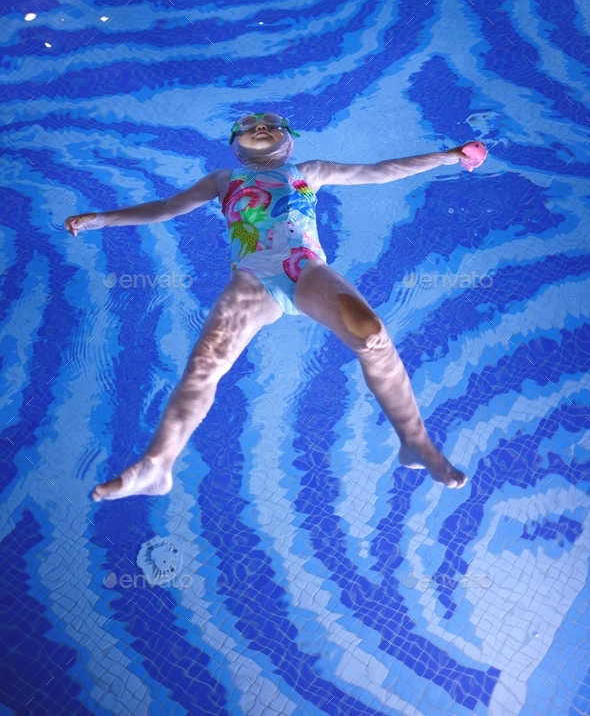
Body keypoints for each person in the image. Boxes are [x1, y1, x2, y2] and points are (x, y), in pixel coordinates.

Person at [64, 112, 487, 501]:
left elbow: (379, 173)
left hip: (305, 269)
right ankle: (158, 465)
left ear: (289, 142)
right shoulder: (222, 180)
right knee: (206, 359)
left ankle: (415, 441)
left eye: (272, 123)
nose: (261, 124)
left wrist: (448, 157)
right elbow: (166, 208)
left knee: (371, 335)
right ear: (236, 145)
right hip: (252, 280)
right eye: (249, 124)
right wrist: (101, 219)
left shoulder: (310, 171)